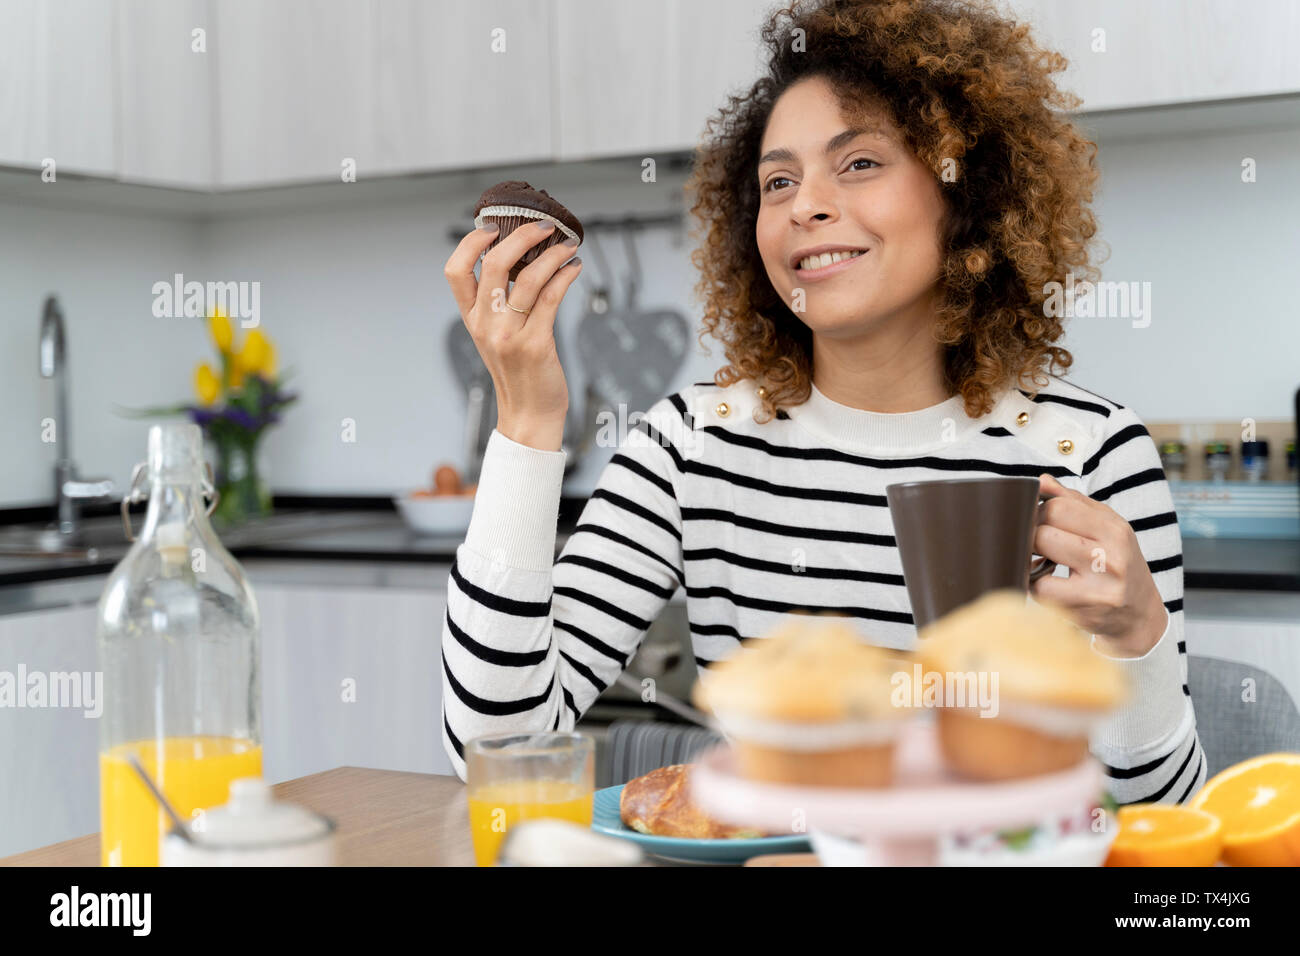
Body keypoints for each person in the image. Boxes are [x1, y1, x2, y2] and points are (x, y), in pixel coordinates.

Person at [439, 0, 1203, 806]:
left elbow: (1160, 824)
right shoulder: (692, 445)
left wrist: (1136, 639)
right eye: (777, 181)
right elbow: (493, 747)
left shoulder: (1089, 448)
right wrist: (525, 423)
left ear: (966, 193)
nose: (805, 204)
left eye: (860, 162)